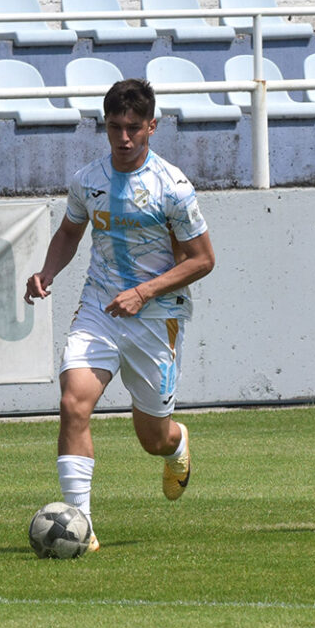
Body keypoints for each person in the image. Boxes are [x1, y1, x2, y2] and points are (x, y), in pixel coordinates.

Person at [24, 79, 216, 552]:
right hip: (100, 308)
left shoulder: (174, 188)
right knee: (73, 403)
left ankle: (176, 444)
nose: (124, 138)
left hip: (156, 317)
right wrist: (46, 272)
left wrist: (143, 292)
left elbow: (203, 260)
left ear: (152, 126)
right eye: (115, 127)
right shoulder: (87, 180)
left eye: (134, 128)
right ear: (105, 126)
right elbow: (69, 233)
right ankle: (81, 528)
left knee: (152, 438)